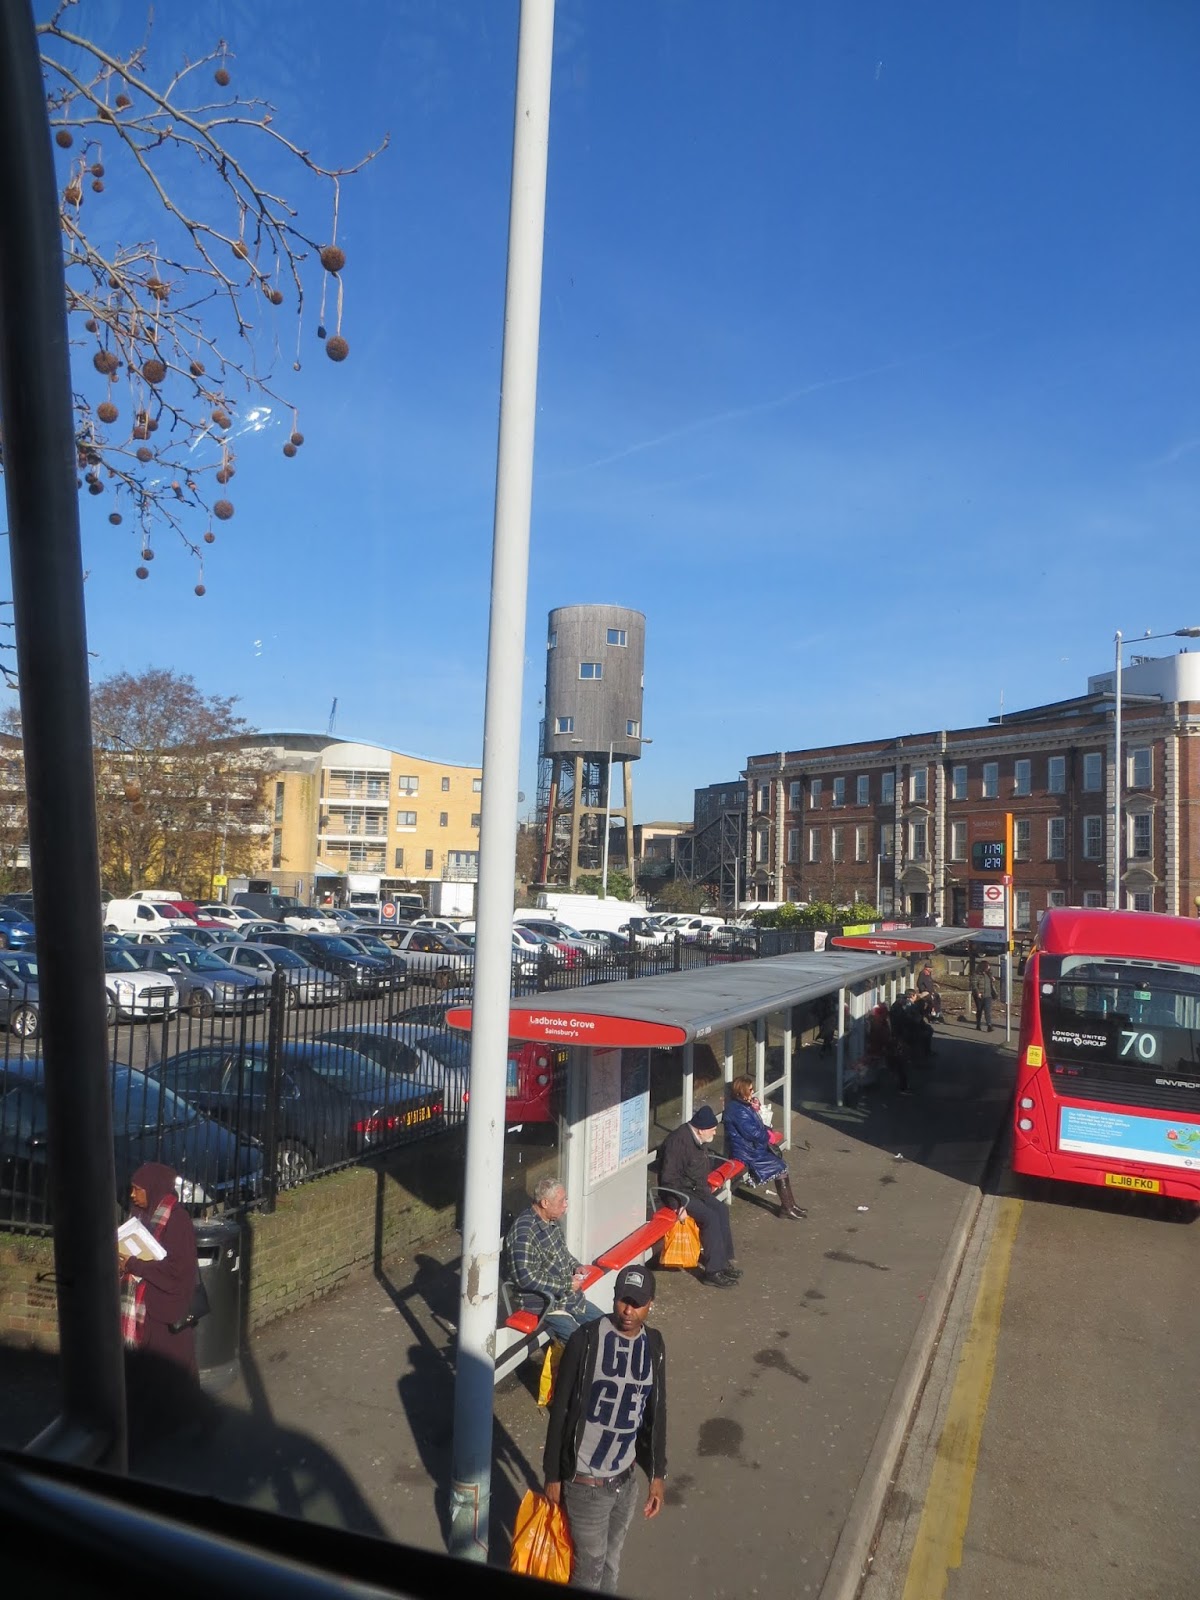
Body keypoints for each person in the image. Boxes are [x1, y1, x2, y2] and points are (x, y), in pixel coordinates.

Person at [544, 1264, 667, 1593]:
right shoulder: (585, 1340)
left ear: (650, 1303)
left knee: (612, 1562)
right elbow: (561, 1411)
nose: (628, 1310)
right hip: (587, 1485)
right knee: (589, 1572)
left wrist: (657, 1473)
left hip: (625, 1482)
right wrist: (552, 1475)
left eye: (637, 1303)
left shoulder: (653, 1345)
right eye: (623, 1300)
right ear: (614, 1299)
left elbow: (656, 1411)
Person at [504, 1176, 605, 1343]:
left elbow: (562, 1253)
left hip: (567, 1296)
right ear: (545, 1203)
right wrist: (566, 1284)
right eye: (561, 1201)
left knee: (605, 1326)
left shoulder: (551, 1221)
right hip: (543, 1303)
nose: (566, 1204)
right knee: (578, 1343)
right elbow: (527, 1278)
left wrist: (576, 1265)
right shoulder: (524, 1234)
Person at [656, 1105, 738, 1287]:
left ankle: (722, 1260)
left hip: (696, 1189)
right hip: (681, 1194)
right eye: (713, 1129)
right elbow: (668, 1178)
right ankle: (713, 1271)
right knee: (709, 1218)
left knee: (721, 1210)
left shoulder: (697, 1139)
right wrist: (677, 1205)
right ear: (701, 1130)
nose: (715, 1133)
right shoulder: (678, 1142)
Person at [722, 1076, 804, 1219]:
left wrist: (764, 1125)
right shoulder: (737, 1110)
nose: (753, 1091)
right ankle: (787, 1207)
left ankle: (790, 1205)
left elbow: (756, 1127)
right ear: (743, 1091)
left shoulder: (743, 1106)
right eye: (750, 1089)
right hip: (746, 1151)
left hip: (751, 1148)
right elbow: (752, 1133)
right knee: (780, 1167)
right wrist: (767, 1135)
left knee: (781, 1167)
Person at [972, 959, 997, 1032]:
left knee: (987, 1010)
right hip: (980, 995)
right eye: (987, 966)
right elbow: (974, 984)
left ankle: (989, 1025)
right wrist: (977, 992)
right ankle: (978, 1024)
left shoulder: (989, 974)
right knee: (979, 1010)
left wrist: (992, 980)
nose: (989, 967)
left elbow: (991, 984)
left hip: (988, 995)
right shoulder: (976, 974)